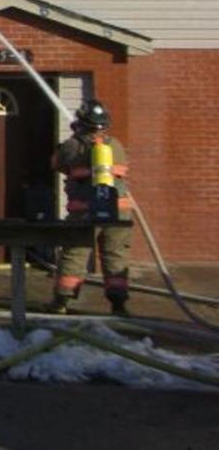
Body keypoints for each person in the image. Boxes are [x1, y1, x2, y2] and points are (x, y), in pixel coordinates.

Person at [49, 98, 132, 316]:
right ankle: (118, 305)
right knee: (116, 257)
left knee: (74, 255)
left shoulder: (73, 146)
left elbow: (56, 163)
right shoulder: (116, 146)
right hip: (119, 212)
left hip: (85, 212)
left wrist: (73, 137)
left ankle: (61, 302)